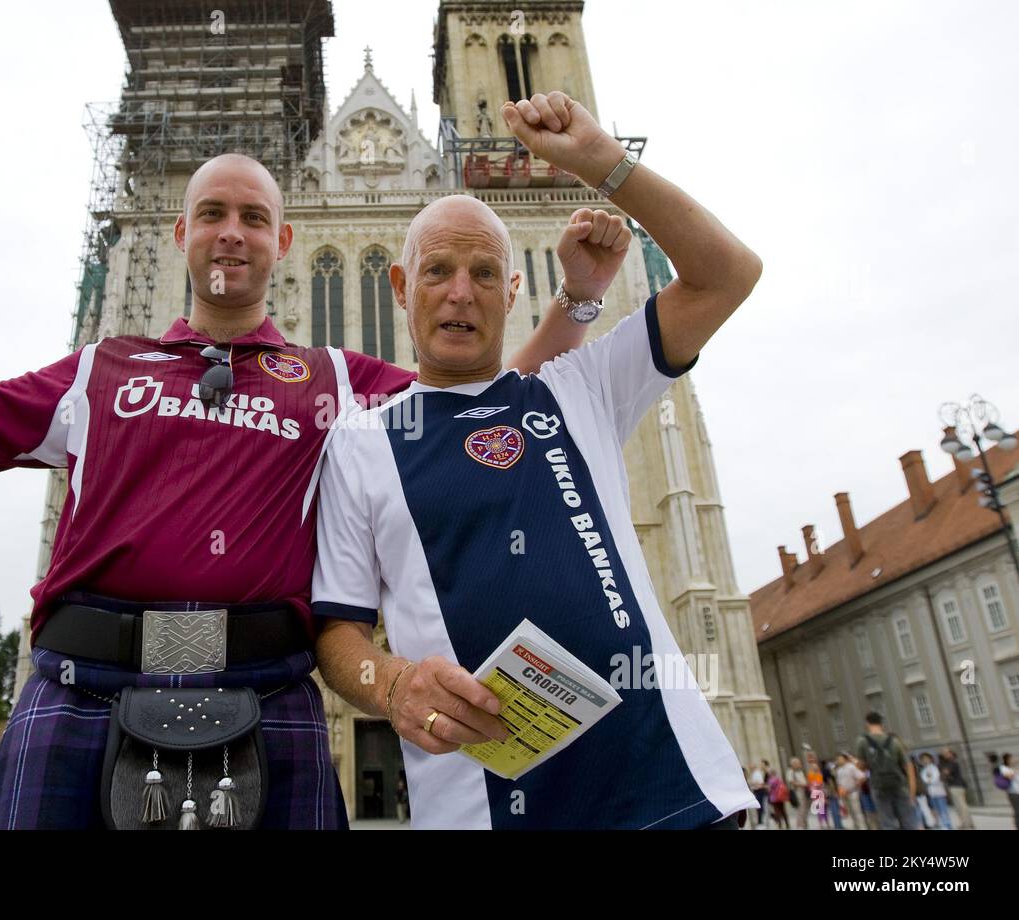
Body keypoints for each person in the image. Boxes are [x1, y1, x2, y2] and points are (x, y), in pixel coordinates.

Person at [0, 153, 582, 829]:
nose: (231, 232)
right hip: (82, 686)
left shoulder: (334, 379)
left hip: (264, 690)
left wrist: (576, 300)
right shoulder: (101, 370)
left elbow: (493, 401)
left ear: (283, 242)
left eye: (254, 218)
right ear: (182, 234)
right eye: (211, 214)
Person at [310, 90, 763, 828]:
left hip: (674, 794)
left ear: (514, 287)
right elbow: (336, 631)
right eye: (438, 271)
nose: (462, 292)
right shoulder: (360, 445)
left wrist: (600, 163)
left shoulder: (578, 387)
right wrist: (390, 685)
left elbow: (727, 273)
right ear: (400, 287)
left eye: (485, 273)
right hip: (481, 807)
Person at [854, 712, 921, 830]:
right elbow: (908, 766)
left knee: (888, 822)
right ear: (881, 723)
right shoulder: (895, 741)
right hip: (899, 785)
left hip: (878, 786)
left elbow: (861, 767)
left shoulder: (862, 741)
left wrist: (858, 763)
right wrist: (912, 792)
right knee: (909, 821)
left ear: (867, 723)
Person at [938, 747, 972, 830]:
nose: (945, 755)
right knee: (960, 806)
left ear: (951, 753)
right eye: (944, 753)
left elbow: (946, 773)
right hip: (955, 785)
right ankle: (968, 823)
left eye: (946, 753)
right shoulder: (949, 762)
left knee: (960, 806)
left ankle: (966, 823)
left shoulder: (952, 762)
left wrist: (942, 772)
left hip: (956, 786)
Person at [918, 752, 951, 830]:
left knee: (943, 810)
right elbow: (924, 779)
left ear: (930, 759)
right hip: (931, 793)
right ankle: (941, 824)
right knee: (936, 810)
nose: (925, 761)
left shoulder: (935, 767)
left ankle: (947, 826)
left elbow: (936, 778)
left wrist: (929, 779)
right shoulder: (923, 770)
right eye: (923, 760)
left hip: (939, 792)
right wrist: (928, 780)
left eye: (926, 759)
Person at [835, 752, 868, 830]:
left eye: (840, 759)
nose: (838, 760)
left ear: (845, 759)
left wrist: (855, 785)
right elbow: (839, 783)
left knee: (857, 812)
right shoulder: (839, 771)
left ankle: (862, 827)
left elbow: (862, 777)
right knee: (851, 813)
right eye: (837, 759)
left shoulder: (851, 767)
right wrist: (840, 791)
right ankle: (856, 827)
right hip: (844, 794)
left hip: (853, 792)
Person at [787, 757, 809, 829]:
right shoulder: (790, 772)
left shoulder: (800, 771)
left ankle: (805, 825)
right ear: (794, 764)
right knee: (800, 810)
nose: (800, 764)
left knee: (805, 810)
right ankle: (800, 826)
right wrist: (803, 784)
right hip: (797, 792)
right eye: (798, 763)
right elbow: (792, 782)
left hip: (804, 792)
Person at [748, 760, 768, 827]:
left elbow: (761, 783)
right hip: (756, 791)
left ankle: (760, 821)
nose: (750, 767)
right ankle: (759, 821)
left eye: (751, 765)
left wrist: (753, 783)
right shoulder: (753, 773)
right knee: (757, 807)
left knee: (759, 806)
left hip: (759, 791)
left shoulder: (757, 773)